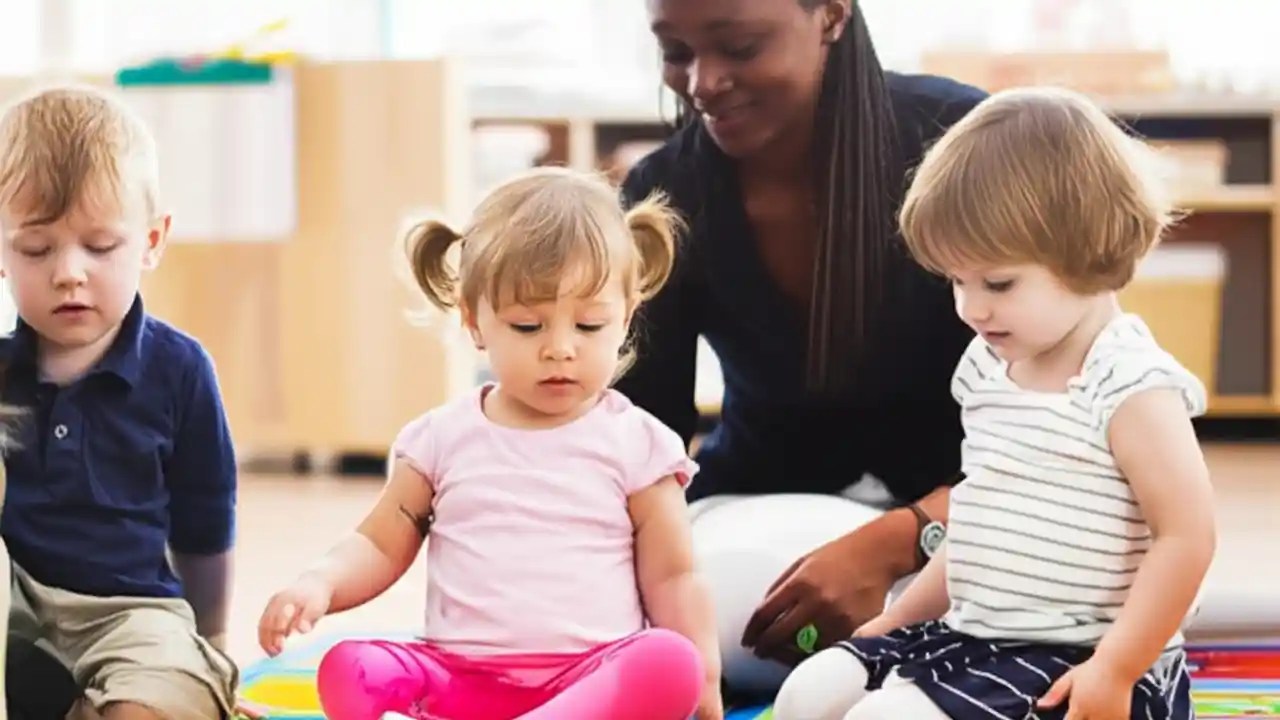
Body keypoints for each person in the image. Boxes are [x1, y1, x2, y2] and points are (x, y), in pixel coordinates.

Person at [771, 86, 1216, 720]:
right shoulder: (987, 366)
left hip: (1083, 659)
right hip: (975, 638)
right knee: (809, 693)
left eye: (998, 283)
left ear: (1092, 251)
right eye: (957, 280)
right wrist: (896, 618)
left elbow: (1188, 538)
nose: (970, 308)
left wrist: (1116, 668)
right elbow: (983, 528)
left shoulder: (1130, 385)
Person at [257, 166, 723, 720]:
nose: (559, 349)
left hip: (588, 682)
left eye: (590, 325)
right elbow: (380, 545)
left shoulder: (638, 443)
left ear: (626, 317)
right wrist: (320, 582)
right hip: (460, 680)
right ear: (474, 321)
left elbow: (673, 577)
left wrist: (707, 689)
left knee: (669, 660)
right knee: (350, 666)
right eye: (528, 327)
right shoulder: (440, 439)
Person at [617, 0, 987, 689]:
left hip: (973, 520)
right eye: (675, 52)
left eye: (739, 45)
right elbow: (639, 442)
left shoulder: (962, 141)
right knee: (680, 619)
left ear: (831, 14)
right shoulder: (662, 194)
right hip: (762, 511)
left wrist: (898, 541)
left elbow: (1068, 436)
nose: (701, 82)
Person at [0, 85, 239, 720]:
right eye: (35, 248)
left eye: (100, 247)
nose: (69, 272)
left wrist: (208, 646)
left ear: (152, 240)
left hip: (132, 616)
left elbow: (205, 525)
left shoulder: (180, 369)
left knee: (160, 698)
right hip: (12, 613)